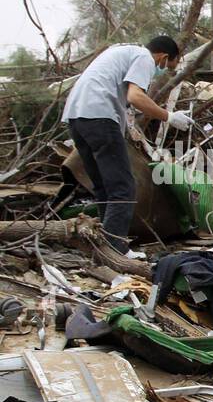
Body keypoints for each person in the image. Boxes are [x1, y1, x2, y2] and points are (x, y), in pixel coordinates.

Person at [61, 35, 192, 252]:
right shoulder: (144, 57)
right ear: (163, 56)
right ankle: (115, 249)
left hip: (77, 119)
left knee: (103, 187)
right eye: (168, 66)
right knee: (123, 188)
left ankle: (101, 246)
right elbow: (136, 97)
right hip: (99, 117)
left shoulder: (120, 52)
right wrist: (169, 117)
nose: (163, 70)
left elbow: (126, 99)